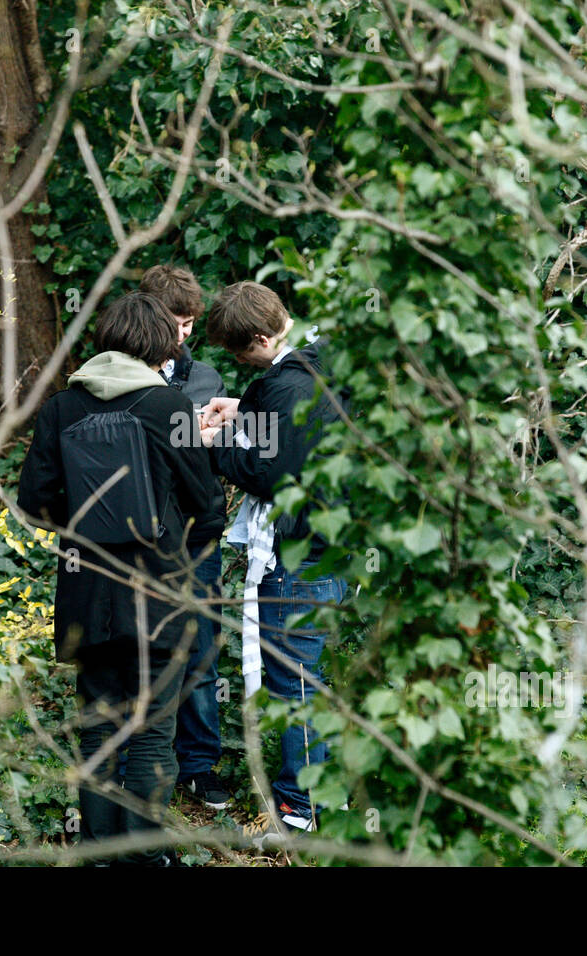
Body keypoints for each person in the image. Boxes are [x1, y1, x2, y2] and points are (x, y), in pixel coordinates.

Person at [16, 292, 214, 865]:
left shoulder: (60, 409)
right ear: (158, 343)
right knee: (153, 729)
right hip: (160, 591)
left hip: (87, 594)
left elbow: (33, 501)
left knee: (99, 727)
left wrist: (82, 531)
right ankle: (146, 856)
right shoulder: (169, 407)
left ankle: (97, 853)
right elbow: (205, 499)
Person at [201, 281, 347, 836]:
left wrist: (215, 443)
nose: (239, 362)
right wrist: (242, 408)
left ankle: (299, 812)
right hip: (336, 542)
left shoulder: (286, 385)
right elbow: (301, 428)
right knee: (309, 674)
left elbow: (270, 471)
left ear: (262, 338)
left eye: (242, 354)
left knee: (296, 681)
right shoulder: (328, 356)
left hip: (298, 549)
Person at [139, 264, 232, 810]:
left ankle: (199, 765)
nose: (184, 334)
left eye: (190, 323)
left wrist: (211, 441)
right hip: (138, 536)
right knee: (141, 648)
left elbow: (223, 459)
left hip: (197, 537)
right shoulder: (116, 376)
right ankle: (141, 762)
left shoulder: (206, 381)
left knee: (198, 649)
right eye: (176, 323)